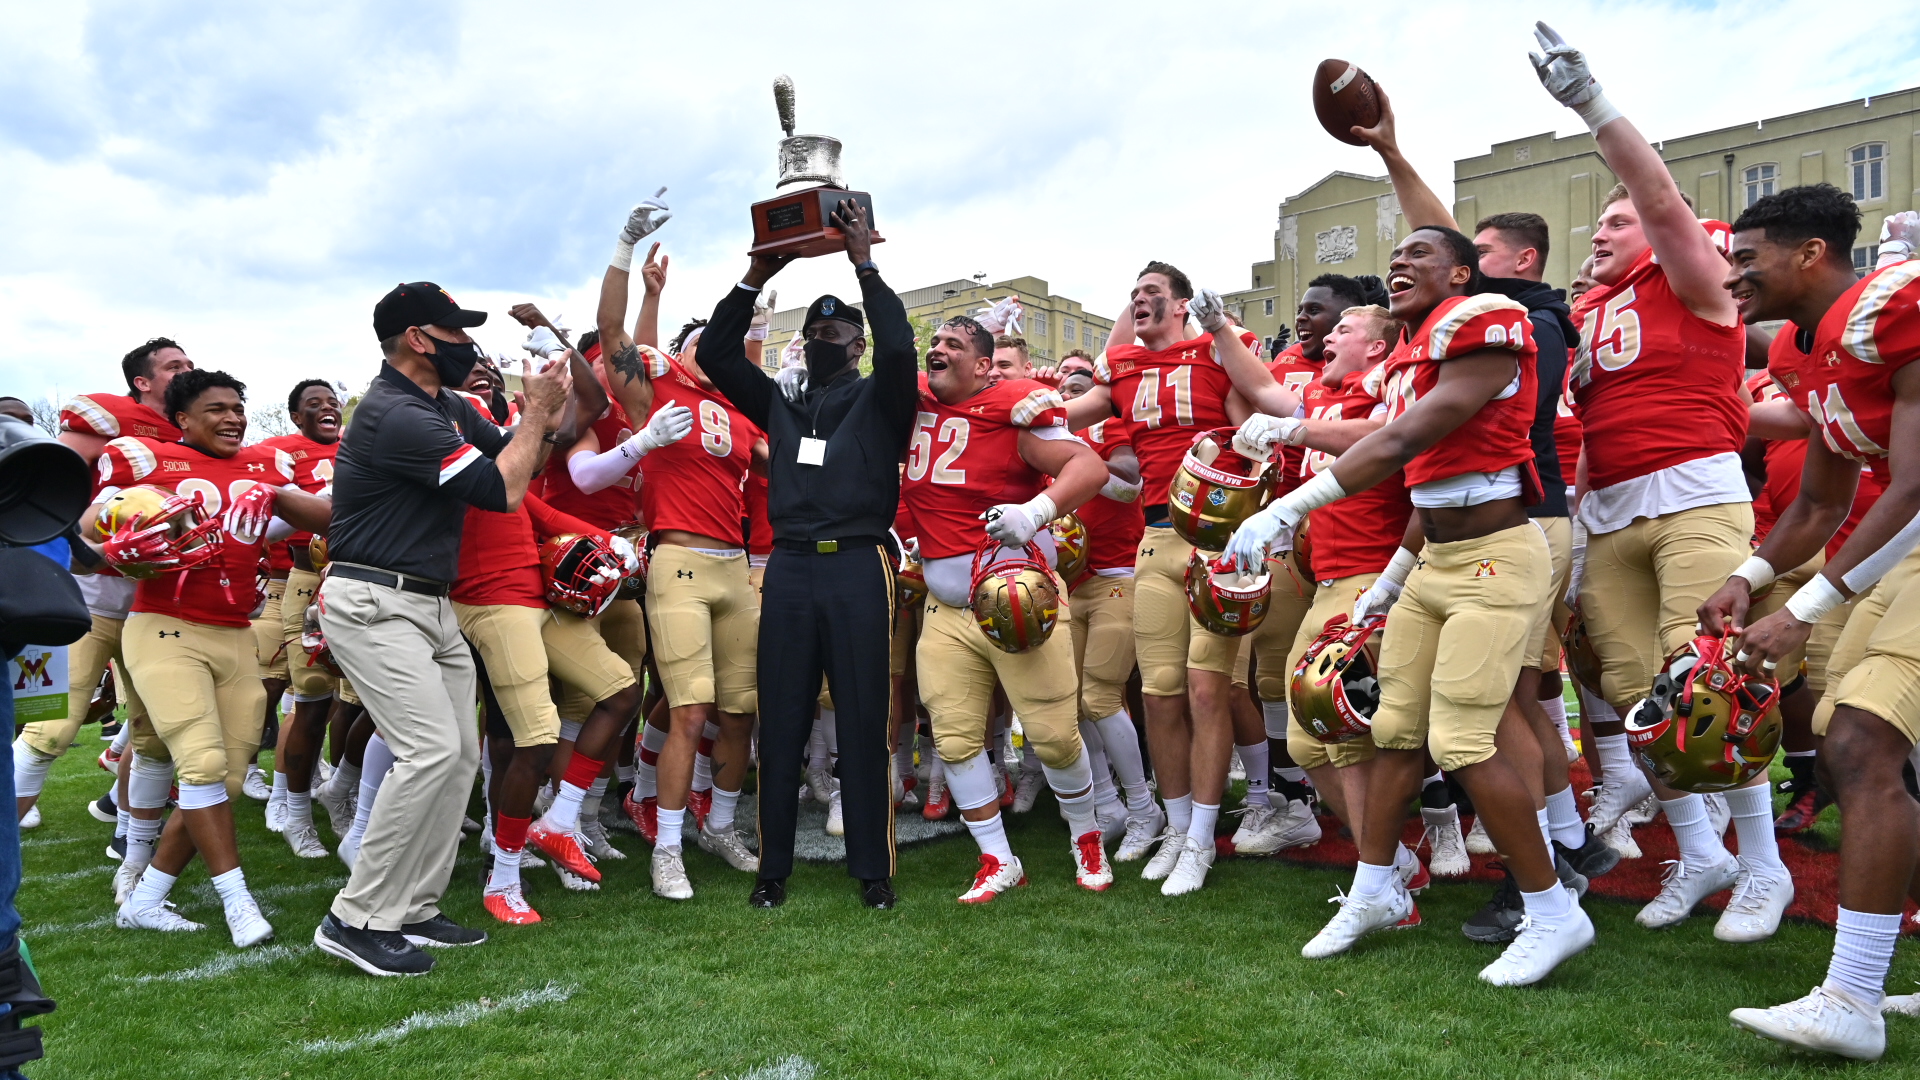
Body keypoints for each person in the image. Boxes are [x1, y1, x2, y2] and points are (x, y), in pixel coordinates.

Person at [1225, 221, 1588, 986]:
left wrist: (1288, 507)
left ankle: (1555, 911)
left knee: (1461, 740)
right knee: (1392, 730)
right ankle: (1374, 888)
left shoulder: (1492, 326)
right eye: (1395, 253)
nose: (1398, 261)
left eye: (1420, 253)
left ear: (1462, 277)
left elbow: (1395, 445)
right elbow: (1423, 490)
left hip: (1497, 556)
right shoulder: (1405, 365)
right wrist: (1389, 588)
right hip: (1434, 559)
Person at [1529, 23, 1788, 938]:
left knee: (1705, 684)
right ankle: (1702, 850)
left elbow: (1663, 202)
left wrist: (1593, 109)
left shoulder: (1694, 283)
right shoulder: (1592, 308)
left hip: (1693, 496)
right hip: (1608, 509)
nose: (1599, 232)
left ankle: (1762, 868)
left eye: (1615, 220)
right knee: (1644, 698)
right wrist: (1576, 525)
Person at [1697, 190, 1917, 1058]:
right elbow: (1825, 497)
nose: (1732, 273)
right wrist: (1750, 577)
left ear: (1811, 253)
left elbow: (1914, 483)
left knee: (1864, 745)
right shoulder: (1801, 345)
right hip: (1899, 555)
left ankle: (1852, 1000)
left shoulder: (1891, 310)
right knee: (1851, 742)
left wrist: (1804, 609)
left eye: (1747, 257)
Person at [312, 281, 570, 976]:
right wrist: (534, 414)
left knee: (457, 756)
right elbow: (502, 490)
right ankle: (354, 916)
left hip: (426, 601)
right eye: (455, 332)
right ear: (418, 340)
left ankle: (414, 907)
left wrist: (543, 413)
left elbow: (526, 456)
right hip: (375, 599)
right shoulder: (395, 412)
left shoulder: (444, 404)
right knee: (428, 751)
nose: (468, 344)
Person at [698, 200, 916, 909]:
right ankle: (773, 869)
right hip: (789, 565)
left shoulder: (882, 399)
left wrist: (863, 265)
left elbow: (902, 348)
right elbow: (715, 355)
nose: (821, 340)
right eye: (813, 331)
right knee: (782, 715)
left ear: (856, 344)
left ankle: (872, 869)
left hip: (859, 563)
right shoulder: (783, 405)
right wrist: (756, 276)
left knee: (861, 714)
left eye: (834, 332)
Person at [92, 369, 330, 947]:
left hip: (234, 633)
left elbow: (330, 522)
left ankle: (146, 898)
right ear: (182, 420)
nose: (232, 417)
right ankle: (236, 899)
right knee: (197, 767)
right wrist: (116, 542)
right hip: (164, 626)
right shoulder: (145, 461)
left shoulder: (263, 466)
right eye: (216, 409)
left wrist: (279, 496)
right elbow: (84, 537)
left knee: (223, 777)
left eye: (237, 407)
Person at [1058, 262, 1260, 894]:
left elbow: (1261, 416)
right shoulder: (1120, 369)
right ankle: (1175, 826)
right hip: (1155, 537)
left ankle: (1202, 836)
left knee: (1209, 692)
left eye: (1152, 294)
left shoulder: (1219, 350)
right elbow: (1070, 414)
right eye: (1133, 296)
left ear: (1180, 307)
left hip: (1218, 537)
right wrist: (1015, 401)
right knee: (1159, 692)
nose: (1139, 303)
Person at [900, 315, 1108, 901]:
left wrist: (1034, 513)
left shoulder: (1012, 408)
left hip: (1016, 596)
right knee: (957, 736)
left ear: (986, 366)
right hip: (945, 608)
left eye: (954, 345)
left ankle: (1085, 837)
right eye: (934, 343)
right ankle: (997, 857)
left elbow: (1088, 466)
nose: (937, 351)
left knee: (1053, 736)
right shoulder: (916, 402)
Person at [592, 224, 768, 899]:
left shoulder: (735, 409)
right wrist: (629, 263)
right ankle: (668, 846)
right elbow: (612, 334)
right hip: (682, 563)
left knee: (741, 712)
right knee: (688, 710)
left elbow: (783, 464)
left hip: (736, 567)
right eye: (703, 346)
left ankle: (719, 823)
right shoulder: (660, 393)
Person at [258, 379, 343, 858]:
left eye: (332, 402)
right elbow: (266, 523)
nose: (327, 409)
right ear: (295, 417)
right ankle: (291, 809)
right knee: (309, 699)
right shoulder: (280, 453)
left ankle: (344, 794)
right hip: (309, 581)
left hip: (362, 582)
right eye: (314, 404)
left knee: (356, 705)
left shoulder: (361, 444)